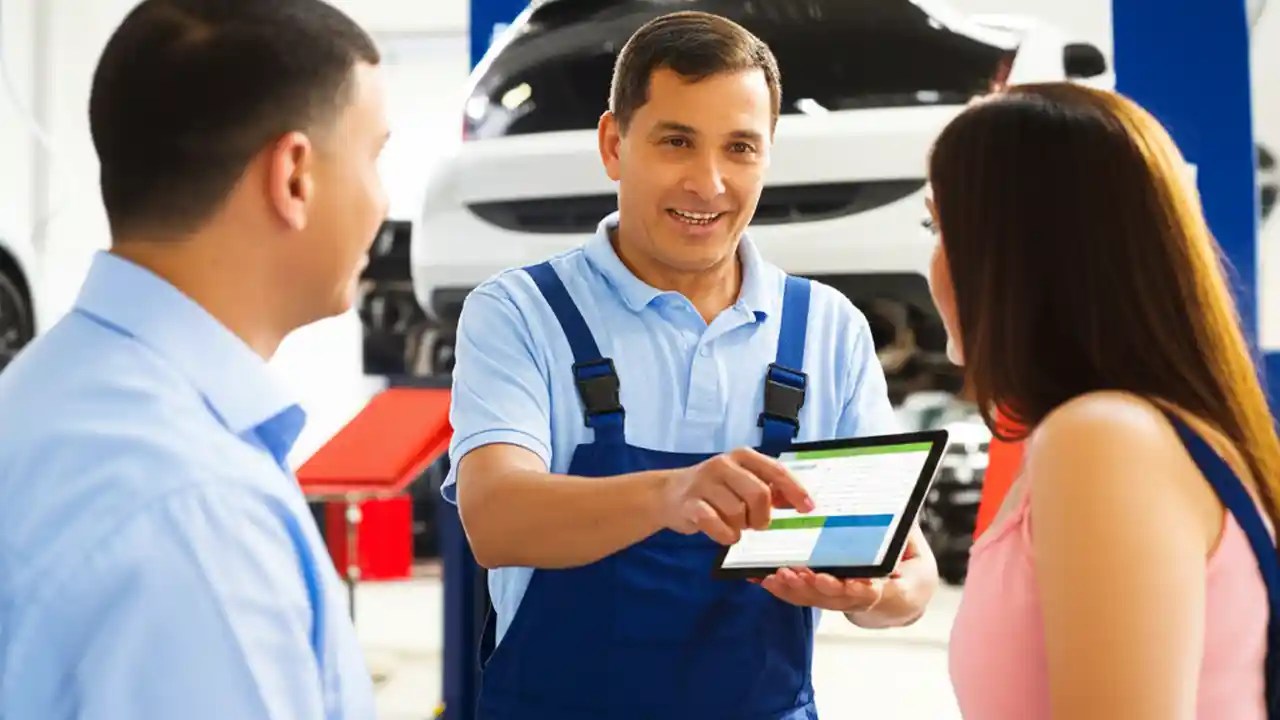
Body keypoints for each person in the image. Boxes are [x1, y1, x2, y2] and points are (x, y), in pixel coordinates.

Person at [445, 10, 938, 719]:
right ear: (615, 144)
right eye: (677, 141)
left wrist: (871, 595)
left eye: (740, 148)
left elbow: (912, 573)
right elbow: (496, 519)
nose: (708, 184)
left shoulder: (826, 331)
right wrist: (673, 495)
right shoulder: (523, 313)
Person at [0, 1, 388, 717]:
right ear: (294, 175)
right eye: (373, 156)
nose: (382, 201)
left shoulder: (39, 397)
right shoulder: (197, 516)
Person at [933, 83, 1280, 718]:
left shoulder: (1102, 436)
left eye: (941, 225)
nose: (933, 261)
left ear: (1017, 249)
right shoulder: (1138, 429)